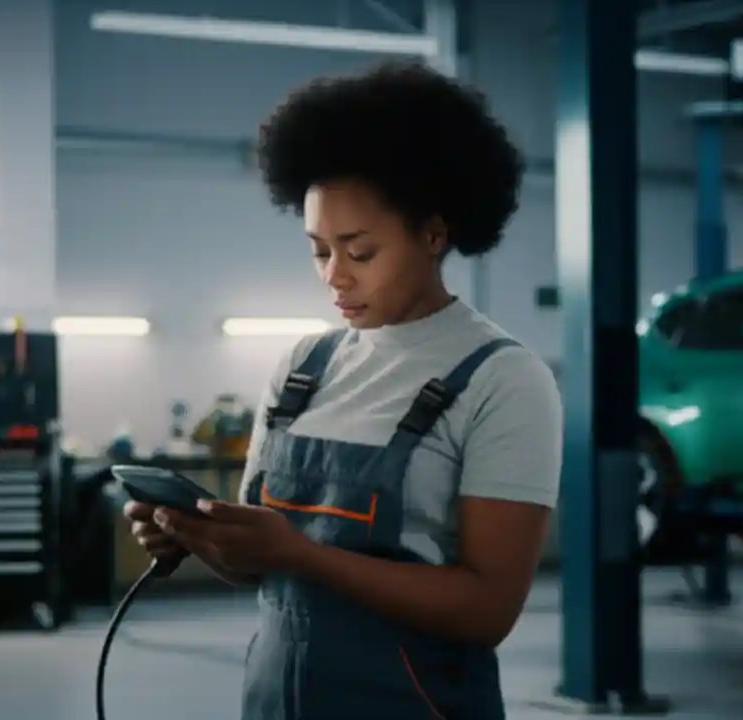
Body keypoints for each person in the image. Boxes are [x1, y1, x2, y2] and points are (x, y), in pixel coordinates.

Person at [123, 60, 563, 720]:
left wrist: (304, 555)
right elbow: (259, 569)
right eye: (317, 250)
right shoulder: (304, 367)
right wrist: (195, 536)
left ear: (434, 233)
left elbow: (487, 610)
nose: (334, 278)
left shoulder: (503, 379)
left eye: (359, 252)